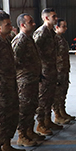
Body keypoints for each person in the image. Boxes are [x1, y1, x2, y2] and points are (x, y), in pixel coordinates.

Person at [0, 10, 25, 151]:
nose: (10, 27)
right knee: (1, 119)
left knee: (11, 116)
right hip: (0, 88)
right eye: (7, 25)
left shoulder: (7, 40)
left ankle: (7, 144)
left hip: (10, 84)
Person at [12, 13, 45, 142]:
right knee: (24, 108)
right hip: (24, 81)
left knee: (32, 106)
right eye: (30, 22)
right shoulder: (19, 40)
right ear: (22, 25)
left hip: (32, 79)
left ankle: (29, 130)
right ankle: (22, 135)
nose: (34, 24)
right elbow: (13, 62)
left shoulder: (29, 38)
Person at [33, 8, 62, 135]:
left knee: (50, 96)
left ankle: (47, 120)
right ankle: (40, 124)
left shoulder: (51, 33)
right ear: (46, 18)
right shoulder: (41, 32)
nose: (56, 19)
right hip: (44, 71)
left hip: (52, 69)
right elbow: (35, 51)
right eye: (53, 17)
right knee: (43, 98)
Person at [53, 18, 75, 123]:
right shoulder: (54, 39)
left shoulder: (61, 38)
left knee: (63, 92)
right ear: (57, 27)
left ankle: (62, 111)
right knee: (57, 93)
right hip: (58, 70)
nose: (66, 28)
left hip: (64, 69)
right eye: (63, 26)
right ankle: (57, 115)